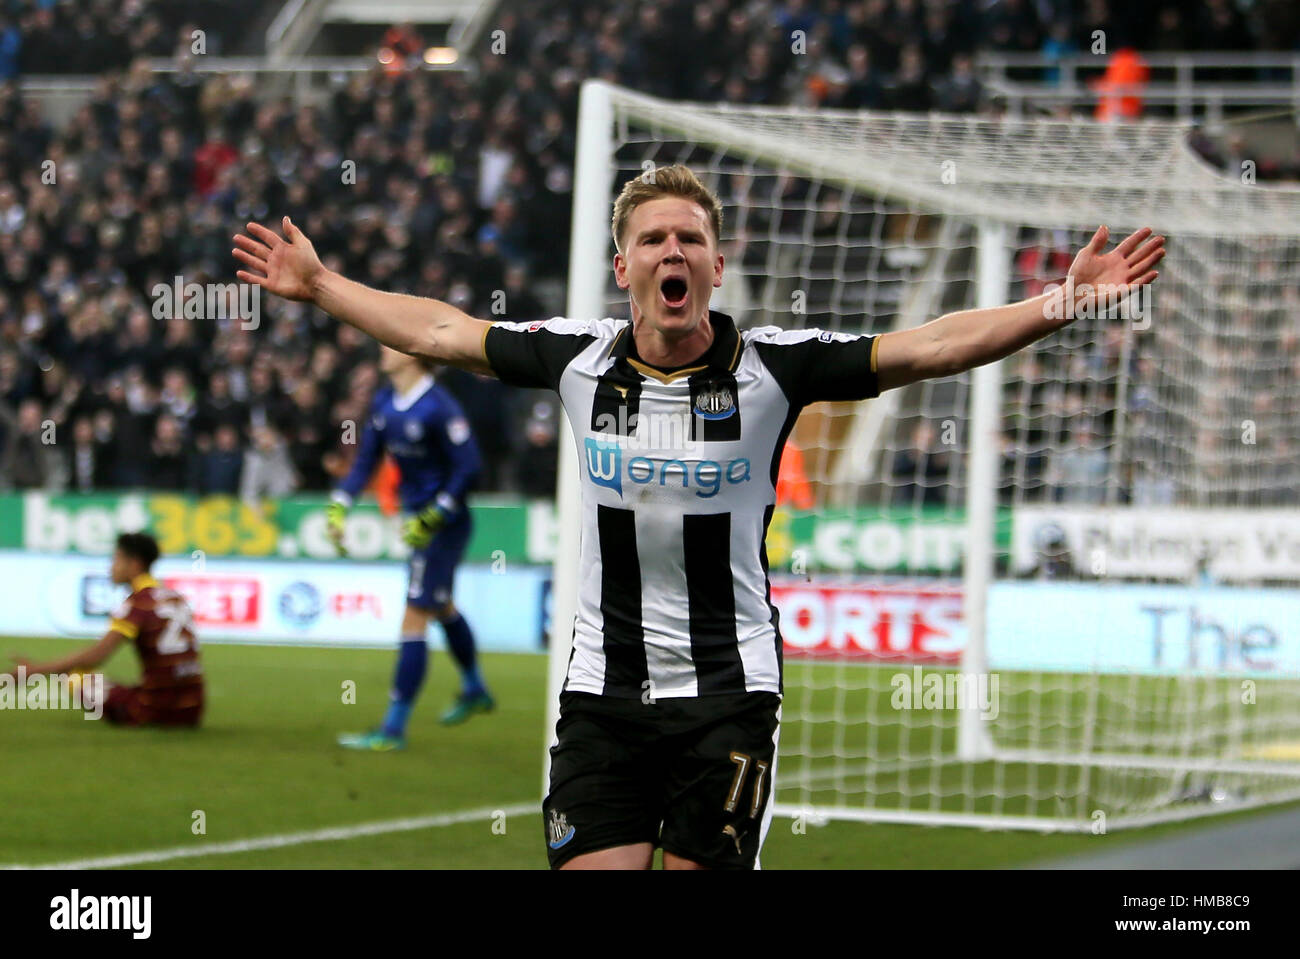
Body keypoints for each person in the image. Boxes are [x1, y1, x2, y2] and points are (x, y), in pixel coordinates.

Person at [233, 164, 1164, 869]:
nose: (671, 252)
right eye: (652, 239)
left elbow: (930, 347)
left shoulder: (778, 367)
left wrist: (1062, 300)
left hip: (727, 691)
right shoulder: (576, 359)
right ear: (622, 264)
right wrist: (320, 287)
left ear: (717, 263)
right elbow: (435, 330)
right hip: (600, 693)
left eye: (688, 238)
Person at [328, 345, 491, 750]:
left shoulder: (439, 407)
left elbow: (469, 467)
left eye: (388, 345)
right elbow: (367, 460)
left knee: (414, 615)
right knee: (440, 606)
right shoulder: (386, 401)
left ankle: (392, 729)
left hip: (443, 526)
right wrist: (341, 503)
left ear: (411, 355)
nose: (381, 350)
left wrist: (435, 515)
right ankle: (473, 688)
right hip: (417, 521)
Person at [6, 532, 203, 727]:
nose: (111, 567)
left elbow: (96, 656)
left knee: (76, 676)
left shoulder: (138, 604)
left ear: (134, 565)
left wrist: (35, 671)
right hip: (193, 709)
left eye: (116, 560)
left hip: (154, 709)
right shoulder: (175, 597)